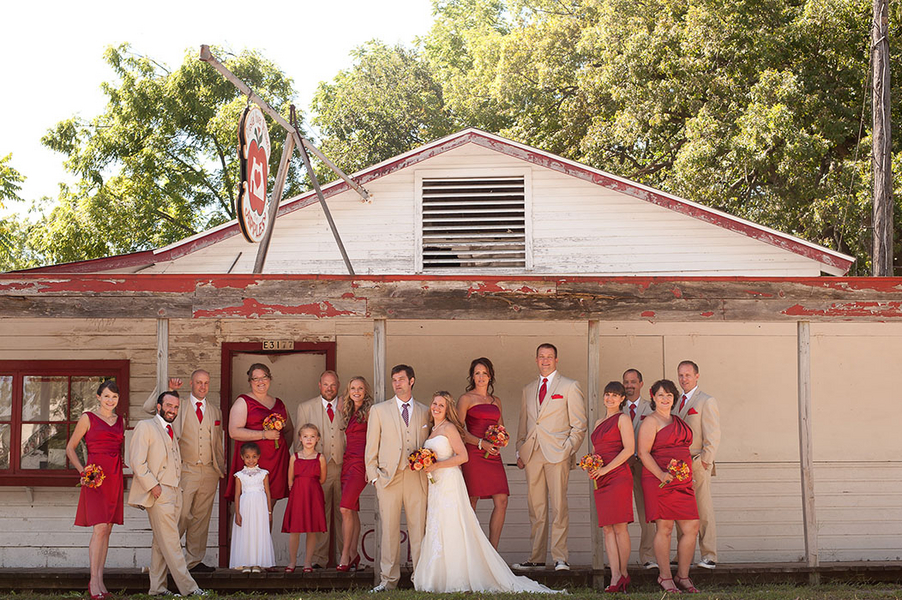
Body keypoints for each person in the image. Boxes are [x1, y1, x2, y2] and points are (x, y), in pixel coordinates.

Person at [413, 392, 562, 593]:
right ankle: (437, 576)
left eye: (441, 405)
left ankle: (458, 575)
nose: (436, 407)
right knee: (437, 524)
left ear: (448, 409)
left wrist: (436, 465)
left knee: (453, 524)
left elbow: (463, 456)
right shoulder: (432, 430)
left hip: (448, 481)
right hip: (436, 484)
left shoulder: (449, 427)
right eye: (434, 403)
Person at [142, 371, 225, 573]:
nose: (202, 387)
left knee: (201, 518)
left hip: (209, 471)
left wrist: (220, 469)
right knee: (180, 517)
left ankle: (194, 562)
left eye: (206, 383)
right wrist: (170, 390)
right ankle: (165, 563)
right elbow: (149, 408)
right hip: (185, 470)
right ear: (191, 383)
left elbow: (218, 444)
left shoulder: (215, 411)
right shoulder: (179, 405)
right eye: (199, 382)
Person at [514, 343, 588, 571]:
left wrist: (567, 450)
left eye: (550, 357)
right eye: (541, 357)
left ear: (557, 360)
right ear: (536, 359)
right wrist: (520, 450)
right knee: (535, 507)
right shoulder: (528, 389)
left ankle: (559, 557)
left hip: (557, 454)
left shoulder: (569, 386)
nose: (545, 360)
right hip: (532, 454)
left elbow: (579, 425)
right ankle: (536, 557)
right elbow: (524, 425)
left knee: (558, 506)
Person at [128, 391, 207, 597]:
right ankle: (190, 590)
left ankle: (158, 588)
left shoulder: (171, 430)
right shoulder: (146, 427)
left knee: (160, 543)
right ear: (159, 407)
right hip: (158, 492)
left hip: (175, 492)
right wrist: (154, 486)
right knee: (172, 542)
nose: (172, 410)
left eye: (176, 407)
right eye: (169, 406)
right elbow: (137, 462)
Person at [364, 364, 428, 592]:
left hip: (416, 479)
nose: (397, 383)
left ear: (412, 381)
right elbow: (371, 447)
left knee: (418, 531)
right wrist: (375, 478)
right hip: (388, 479)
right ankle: (388, 581)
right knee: (389, 532)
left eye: (401, 379)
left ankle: (420, 579)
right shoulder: (379, 410)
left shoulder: (424, 410)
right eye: (394, 380)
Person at [638, 379, 701, 594]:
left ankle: (682, 576)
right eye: (660, 395)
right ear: (653, 398)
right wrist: (662, 474)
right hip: (659, 479)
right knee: (664, 528)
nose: (665, 399)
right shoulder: (650, 421)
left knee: (691, 527)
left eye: (669, 395)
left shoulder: (678, 420)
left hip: (682, 481)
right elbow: (643, 453)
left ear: (674, 399)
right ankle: (664, 577)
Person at [66, 380, 124, 600]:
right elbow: (70, 448)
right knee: (99, 528)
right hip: (95, 478)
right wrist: (83, 472)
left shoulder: (120, 421)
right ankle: (93, 582)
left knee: (108, 529)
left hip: (114, 477)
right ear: (98, 397)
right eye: (107, 396)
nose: (110, 401)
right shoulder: (87, 418)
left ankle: (101, 580)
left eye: (114, 397)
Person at [588, 381, 635, 593]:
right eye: (607, 394)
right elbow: (597, 449)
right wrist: (592, 465)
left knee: (620, 527)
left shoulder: (623, 419)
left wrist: (606, 469)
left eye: (615, 395)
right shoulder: (598, 421)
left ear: (622, 399)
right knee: (607, 528)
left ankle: (622, 573)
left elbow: (629, 450)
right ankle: (615, 575)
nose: (610, 398)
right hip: (601, 477)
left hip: (617, 476)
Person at [458, 357, 510, 549]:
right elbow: (459, 430)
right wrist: (481, 443)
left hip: (493, 455)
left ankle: (492, 550)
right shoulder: (466, 399)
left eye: (485, 373)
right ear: (472, 376)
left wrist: (501, 440)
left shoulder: (496, 401)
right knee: (472, 499)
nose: (481, 377)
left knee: (502, 500)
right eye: (477, 373)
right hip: (473, 453)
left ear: (490, 376)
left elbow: (501, 427)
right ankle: (471, 548)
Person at [675, 360, 722, 569]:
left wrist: (705, 461)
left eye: (687, 375)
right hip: (678, 465)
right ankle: (683, 555)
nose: (684, 379)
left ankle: (709, 554)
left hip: (697, 462)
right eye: (681, 375)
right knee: (680, 511)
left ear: (697, 376)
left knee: (703, 509)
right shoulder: (676, 402)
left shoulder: (706, 401)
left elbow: (713, 434)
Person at [225, 363, 293, 508]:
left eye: (264, 377)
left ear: (270, 378)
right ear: (250, 381)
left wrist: (280, 449)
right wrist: (264, 435)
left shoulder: (280, 403)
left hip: (276, 462)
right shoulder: (243, 402)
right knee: (248, 506)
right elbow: (234, 431)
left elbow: (289, 430)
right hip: (253, 463)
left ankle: (265, 531)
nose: (260, 382)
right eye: (255, 379)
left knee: (269, 508)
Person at [295, 370, 343, 568]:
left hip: (342, 467)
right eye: (325, 384)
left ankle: (347, 559)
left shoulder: (345, 405)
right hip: (317, 470)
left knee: (345, 513)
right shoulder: (305, 407)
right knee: (319, 515)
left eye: (333, 385)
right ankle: (319, 561)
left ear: (338, 386)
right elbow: (298, 444)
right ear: (319, 385)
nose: (329, 388)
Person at [337, 376, 372, 571]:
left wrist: (371, 465)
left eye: (360, 388)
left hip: (361, 464)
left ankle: (345, 555)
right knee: (351, 509)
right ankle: (353, 554)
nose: (356, 391)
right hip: (347, 462)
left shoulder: (370, 412)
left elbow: (376, 438)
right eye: (352, 388)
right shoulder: (350, 411)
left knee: (344, 508)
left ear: (365, 390)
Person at [621, 368, 655, 569]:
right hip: (622, 468)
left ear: (641, 384)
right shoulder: (615, 406)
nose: (629, 385)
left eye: (633, 381)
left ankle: (648, 556)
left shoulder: (650, 407)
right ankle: (619, 560)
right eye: (626, 382)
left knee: (646, 514)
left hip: (644, 468)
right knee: (619, 515)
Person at [283, 424, 328, 573]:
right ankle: (292, 561)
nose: (309, 439)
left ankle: (308, 562)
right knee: (294, 530)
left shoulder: (320, 458)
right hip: (298, 495)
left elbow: (322, 479)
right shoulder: (294, 457)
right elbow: (289, 479)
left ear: (318, 439)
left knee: (311, 529)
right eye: (305, 436)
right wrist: (297, 489)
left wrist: (310, 486)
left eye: (312, 436)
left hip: (313, 495)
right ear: (300, 439)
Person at [229, 442, 275, 573]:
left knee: (258, 531)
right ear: (242, 457)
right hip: (245, 507)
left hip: (260, 507)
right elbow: (237, 495)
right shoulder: (239, 475)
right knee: (247, 532)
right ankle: (246, 562)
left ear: (258, 457)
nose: (251, 460)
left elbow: (268, 493)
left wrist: (269, 511)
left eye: (254, 456)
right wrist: (237, 513)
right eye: (247, 457)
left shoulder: (263, 474)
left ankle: (257, 563)